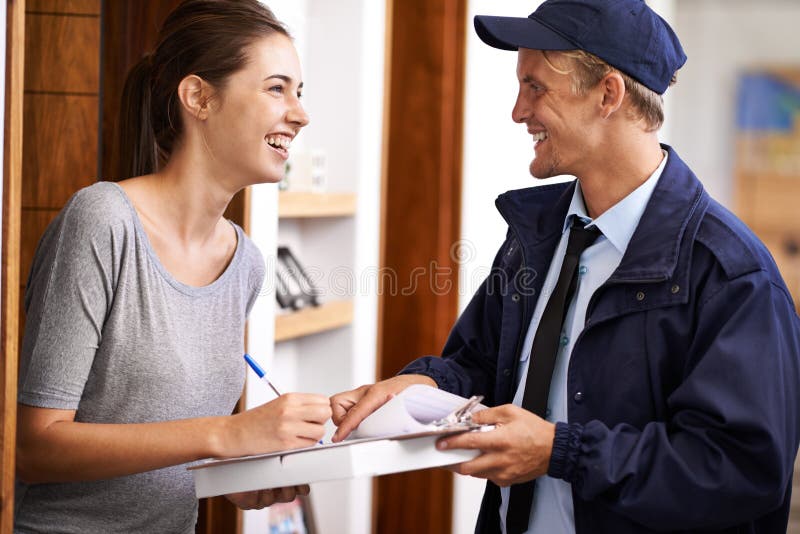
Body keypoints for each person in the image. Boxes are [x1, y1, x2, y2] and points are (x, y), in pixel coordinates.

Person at [330, 1, 800, 533]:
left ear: (608, 95)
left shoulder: (731, 274)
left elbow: (742, 470)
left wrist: (562, 452)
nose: (517, 111)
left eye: (535, 87)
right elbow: (480, 364)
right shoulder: (536, 236)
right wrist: (418, 387)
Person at [14, 1, 331, 532]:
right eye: (277, 89)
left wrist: (239, 474)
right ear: (198, 98)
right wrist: (225, 435)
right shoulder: (103, 221)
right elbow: (33, 447)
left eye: (299, 93)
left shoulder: (244, 262)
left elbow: (172, 453)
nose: (299, 113)